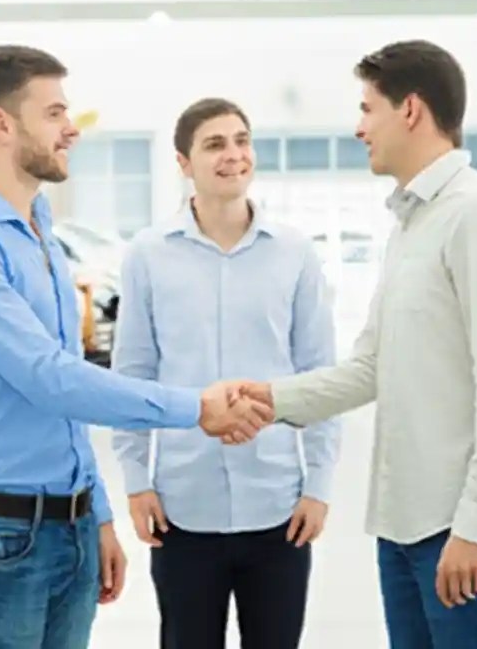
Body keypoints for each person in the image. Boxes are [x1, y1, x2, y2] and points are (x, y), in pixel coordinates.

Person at [0, 45, 270, 649]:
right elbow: (47, 378)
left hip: (65, 524)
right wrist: (196, 408)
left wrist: (94, 511)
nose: (71, 128)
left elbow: (66, 387)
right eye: (54, 113)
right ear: (1, 124)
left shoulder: (40, 230)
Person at [229, 39, 477, 649]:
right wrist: (266, 397)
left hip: (459, 524)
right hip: (403, 522)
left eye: (368, 108)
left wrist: (476, 526)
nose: (358, 127)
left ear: (411, 110)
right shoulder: (412, 222)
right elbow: (372, 366)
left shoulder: (476, 212)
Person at [111, 98, 341, 649]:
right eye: (215, 144)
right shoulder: (147, 254)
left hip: (278, 509)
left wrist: (319, 486)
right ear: (183, 162)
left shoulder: (294, 253)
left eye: (241, 140)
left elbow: (319, 375)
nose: (233, 155)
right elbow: (133, 376)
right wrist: (137, 480)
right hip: (182, 509)